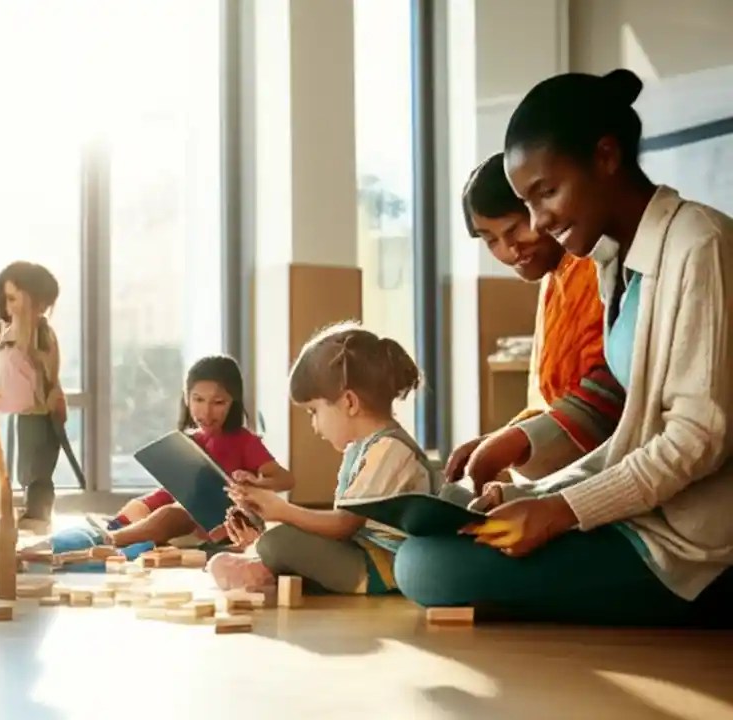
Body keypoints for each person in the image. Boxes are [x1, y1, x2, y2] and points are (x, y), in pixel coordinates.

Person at [395, 68, 733, 626]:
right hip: (643, 513)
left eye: (547, 193)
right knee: (437, 539)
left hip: (694, 546)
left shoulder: (700, 245)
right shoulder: (615, 263)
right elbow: (630, 436)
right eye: (528, 203)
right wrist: (547, 494)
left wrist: (559, 509)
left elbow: (697, 439)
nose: (539, 221)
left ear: (606, 157)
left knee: (429, 566)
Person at [206, 323, 442, 594]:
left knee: (279, 540)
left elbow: (343, 525)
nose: (315, 426)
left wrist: (281, 512)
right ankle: (266, 561)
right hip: (357, 551)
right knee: (276, 537)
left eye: (313, 411)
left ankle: (267, 566)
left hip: (380, 567)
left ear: (349, 403)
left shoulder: (389, 450)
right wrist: (264, 509)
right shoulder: (361, 449)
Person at [446, 153, 625, 491]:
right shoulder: (553, 278)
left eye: (514, 228)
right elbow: (553, 400)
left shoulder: (596, 265)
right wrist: (499, 439)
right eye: (490, 240)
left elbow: (615, 388)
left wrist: (516, 442)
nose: (509, 250)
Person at [86, 354, 293, 550]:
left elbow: (286, 479)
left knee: (174, 513)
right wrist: (142, 506)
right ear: (186, 398)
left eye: (218, 402)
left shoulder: (244, 440)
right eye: (198, 400)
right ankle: (108, 533)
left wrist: (256, 482)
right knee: (140, 507)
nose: (206, 412)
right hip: (182, 516)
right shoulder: (188, 440)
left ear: (233, 402)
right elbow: (171, 491)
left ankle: (105, 541)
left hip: (223, 522)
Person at [0, 261, 73, 535]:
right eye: (6, 298)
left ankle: (39, 515)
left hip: (39, 409)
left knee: (37, 467)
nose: (9, 305)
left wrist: (54, 393)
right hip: (25, 409)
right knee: (26, 465)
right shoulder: (14, 328)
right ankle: (32, 512)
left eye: (14, 298)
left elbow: (50, 367)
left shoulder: (38, 331)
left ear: (37, 301)